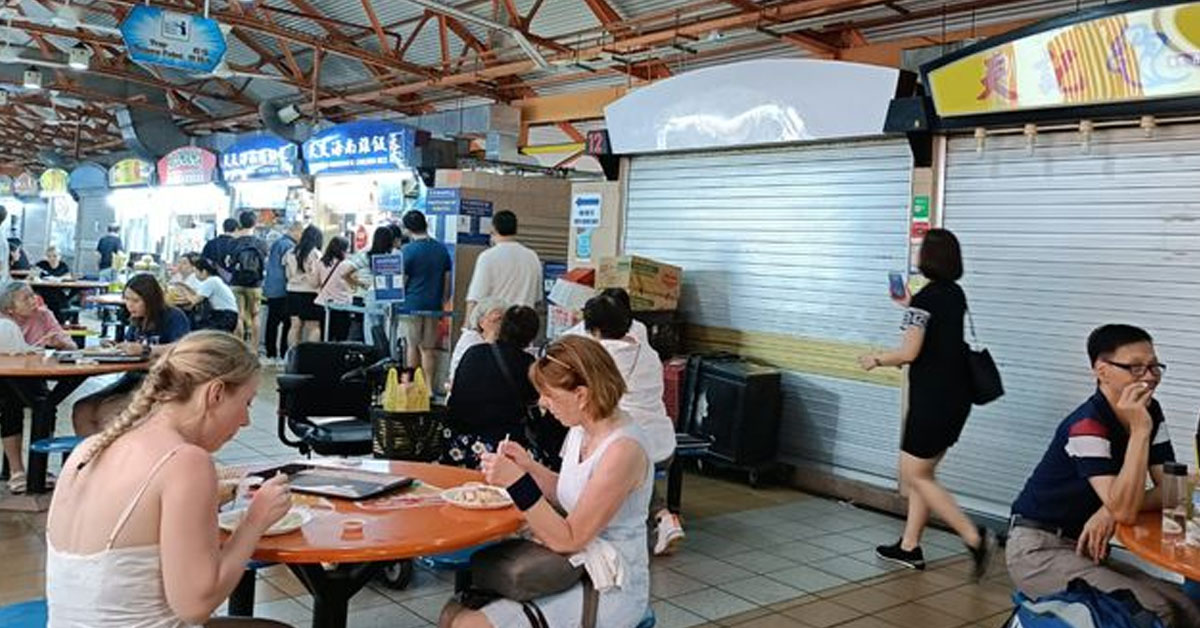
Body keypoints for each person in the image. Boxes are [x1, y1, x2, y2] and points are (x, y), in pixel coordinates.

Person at [46, 331, 294, 628]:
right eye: (247, 403)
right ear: (214, 394)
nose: (246, 420)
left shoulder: (89, 448)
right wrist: (256, 520)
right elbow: (196, 605)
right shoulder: (185, 461)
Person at [441, 335, 653, 628]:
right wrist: (528, 467)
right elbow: (569, 490)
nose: (542, 402)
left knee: (468, 624)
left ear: (581, 394)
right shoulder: (582, 429)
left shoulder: (623, 451)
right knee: (452, 613)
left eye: (550, 395)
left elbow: (569, 539)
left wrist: (518, 483)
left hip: (609, 584)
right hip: (571, 567)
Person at [1006, 325, 1200, 627]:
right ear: (1101, 370)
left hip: (1084, 550)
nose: (1149, 376)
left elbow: (1173, 490)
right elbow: (1126, 507)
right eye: (1135, 368)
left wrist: (1108, 509)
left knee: (1186, 604)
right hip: (1037, 550)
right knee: (1154, 610)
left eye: (1153, 366)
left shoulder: (1152, 410)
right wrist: (1139, 432)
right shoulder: (1087, 425)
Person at [858, 228, 994, 578]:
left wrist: (876, 359)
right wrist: (908, 305)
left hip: (932, 400)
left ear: (928, 259)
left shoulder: (924, 301)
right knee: (924, 474)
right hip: (956, 398)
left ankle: (972, 536)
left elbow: (910, 352)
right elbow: (939, 337)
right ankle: (909, 547)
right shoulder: (953, 294)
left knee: (914, 473)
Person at [579, 294, 682, 555]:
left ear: (596, 329)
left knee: (589, 448)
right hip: (665, 444)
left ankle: (587, 525)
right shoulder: (647, 351)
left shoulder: (598, 357)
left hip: (632, 447)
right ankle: (661, 516)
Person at [72, 274, 192, 436]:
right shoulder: (137, 320)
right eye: (127, 299)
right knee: (82, 409)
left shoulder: (173, 317)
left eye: (135, 301)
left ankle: (116, 458)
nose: (130, 305)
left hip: (159, 382)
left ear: (151, 299)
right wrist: (116, 347)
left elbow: (183, 347)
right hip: (132, 379)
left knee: (107, 414)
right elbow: (132, 347)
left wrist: (147, 349)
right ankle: (88, 459)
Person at [441, 306, 541, 469]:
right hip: (498, 448)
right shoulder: (527, 363)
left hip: (456, 442)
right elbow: (532, 400)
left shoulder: (473, 352)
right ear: (531, 336)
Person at [0, 281, 73, 494]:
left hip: (35, 375)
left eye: (33, 295)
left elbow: (71, 345)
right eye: (26, 298)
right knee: (12, 403)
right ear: (9, 309)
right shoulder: (3, 323)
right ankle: (17, 470)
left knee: (46, 405)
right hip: (5, 377)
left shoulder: (44, 315)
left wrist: (60, 344)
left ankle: (37, 470)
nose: (33, 301)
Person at [400, 211, 452, 387]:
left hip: (411, 304)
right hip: (433, 305)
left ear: (407, 229)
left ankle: (411, 385)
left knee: (412, 345)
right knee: (429, 348)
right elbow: (447, 279)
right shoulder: (441, 249)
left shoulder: (407, 250)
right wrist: (442, 301)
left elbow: (403, 281)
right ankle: (429, 387)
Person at [465, 210, 542, 323]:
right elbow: (537, 298)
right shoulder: (532, 256)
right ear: (516, 229)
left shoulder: (488, 257)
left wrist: (468, 326)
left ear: (493, 229)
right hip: (525, 326)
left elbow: (476, 298)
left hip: (497, 325)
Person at [226, 211, 268, 350]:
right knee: (255, 315)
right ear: (255, 224)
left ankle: (239, 349)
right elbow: (264, 262)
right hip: (255, 284)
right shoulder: (261, 243)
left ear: (240, 224)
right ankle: (254, 350)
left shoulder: (233, 243)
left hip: (236, 283)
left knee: (238, 316)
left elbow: (228, 263)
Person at [447, 296, 507, 388]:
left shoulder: (506, 342)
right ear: (481, 322)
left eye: (504, 320)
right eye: (497, 320)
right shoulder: (470, 338)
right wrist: (490, 340)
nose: (501, 324)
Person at [313, 236, 363, 342]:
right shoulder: (348, 266)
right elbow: (353, 287)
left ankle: (326, 357)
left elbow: (315, 283)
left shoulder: (320, 263)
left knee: (326, 336)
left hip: (323, 304)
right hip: (342, 305)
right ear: (343, 250)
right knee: (341, 338)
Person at [264, 223, 300, 365]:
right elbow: (290, 269)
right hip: (283, 289)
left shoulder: (277, 243)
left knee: (272, 322)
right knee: (287, 323)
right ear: (295, 231)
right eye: (300, 233)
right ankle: (283, 353)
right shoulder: (289, 246)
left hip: (271, 288)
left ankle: (270, 352)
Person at [285, 225, 323, 348]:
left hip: (292, 292)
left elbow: (287, 275)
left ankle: (292, 357)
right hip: (310, 293)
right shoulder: (316, 254)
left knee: (295, 326)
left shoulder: (290, 252)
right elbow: (316, 278)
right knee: (313, 326)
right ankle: (310, 358)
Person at [181, 258, 239, 332]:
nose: (195, 275)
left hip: (224, 317)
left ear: (204, 271)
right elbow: (196, 294)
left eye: (196, 272)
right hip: (228, 315)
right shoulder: (214, 280)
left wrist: (183, 290)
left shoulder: (210, 281)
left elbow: (194, 301)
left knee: (198, 330)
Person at [33, 245, 73, 321]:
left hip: (58, 293)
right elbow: (32, 274)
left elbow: (69, 276)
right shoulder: (41, 264)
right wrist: (35, 277)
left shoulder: (63, 266)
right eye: (49, 256)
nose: (52, 258)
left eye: (55, 256)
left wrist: (59, 279)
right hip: (43, 293)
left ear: (59, 256)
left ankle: (60, 323)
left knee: (62, 304)